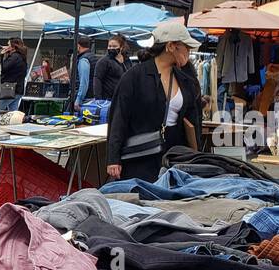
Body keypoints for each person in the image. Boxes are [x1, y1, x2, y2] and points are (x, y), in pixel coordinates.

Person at [106, 19, 202, 183]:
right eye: (186, 46)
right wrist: (113, 158)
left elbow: (194, 119)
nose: (189, 51)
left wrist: (196, 155)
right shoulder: (135, 76)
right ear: (170, 46)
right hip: (141, 154)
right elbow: (119, 116)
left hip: (175, 155)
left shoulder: (185, 79)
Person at [90, 33, 129, 101]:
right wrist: (98, 99)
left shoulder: (127, 60)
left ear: (121, 47)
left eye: (114, 46)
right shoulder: (104, 61)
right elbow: (97, 79)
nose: (111, 48)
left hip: (123, 99)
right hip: (108, 100)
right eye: (109, 46)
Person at [0, 38, 27, 112]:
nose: (6, 46)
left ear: (13, 47)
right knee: (13, 112)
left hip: (10, 89)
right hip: (18, 89)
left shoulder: (14, 57)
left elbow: (2, 68)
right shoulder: (21, 57)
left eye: (8, 45)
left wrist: (1, 56)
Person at [72, 38, 93, 109]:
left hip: (84, 99)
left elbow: (84, 82)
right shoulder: (92, 57)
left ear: (78, 46)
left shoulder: (83, 60)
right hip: (91, 96)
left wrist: (78, 100)